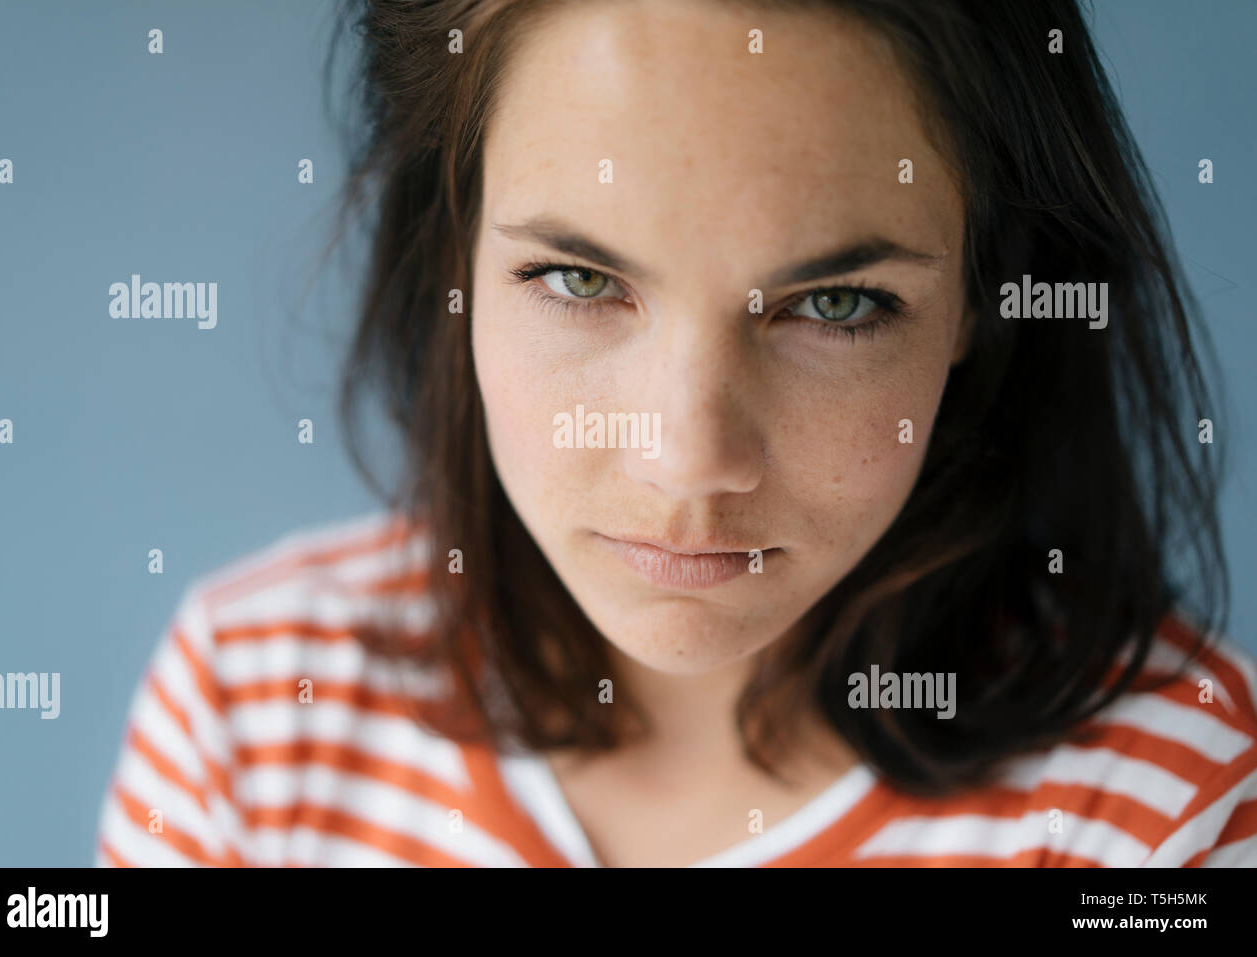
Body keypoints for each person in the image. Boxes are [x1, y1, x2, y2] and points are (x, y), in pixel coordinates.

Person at [96, 0, 1257, 867]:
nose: (687, 457)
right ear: (453, 255)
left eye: (834, 305)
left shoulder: (1159, 802)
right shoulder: (252, 711)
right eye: (577, 278)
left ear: (980, 300)